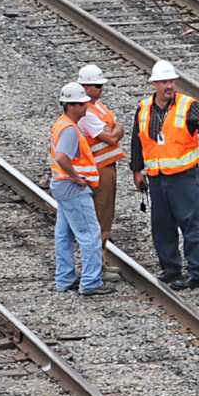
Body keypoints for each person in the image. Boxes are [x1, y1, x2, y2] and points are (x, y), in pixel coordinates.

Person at [130, 59, 199, 290]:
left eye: (171, 81)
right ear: (155, 84)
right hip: (157, 178)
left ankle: (197, 272)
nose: (169, 86)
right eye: (164, 82)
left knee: (191, 225)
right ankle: (171, 268)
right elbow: (137, 140)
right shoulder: (144, 108)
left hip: (183, 178)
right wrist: (137, 170)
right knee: (162, 225)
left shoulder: (188, 105)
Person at [50, 82, 112, 296]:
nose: (86, 107)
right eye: (81, 104)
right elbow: (61, 156)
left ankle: (65, 278)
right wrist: (76, 177)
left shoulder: (62, 124)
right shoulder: (69, 129)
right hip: (72, 187)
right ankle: (90, 282)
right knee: (90, 233)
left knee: (64, 233)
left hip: (61, 185)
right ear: (70, 106)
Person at [75, 64, 125, 279]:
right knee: (100, 219)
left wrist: (115, 129)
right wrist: (115, 130)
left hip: (107, 167)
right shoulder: (87, 113)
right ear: (86, 87)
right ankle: (97, 267)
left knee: (105, 218)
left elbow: (116, 127)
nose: (100, 89)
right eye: (97, 85)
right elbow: (113, 135)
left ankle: (101, 261)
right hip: (99, 170)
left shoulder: (98, 108)